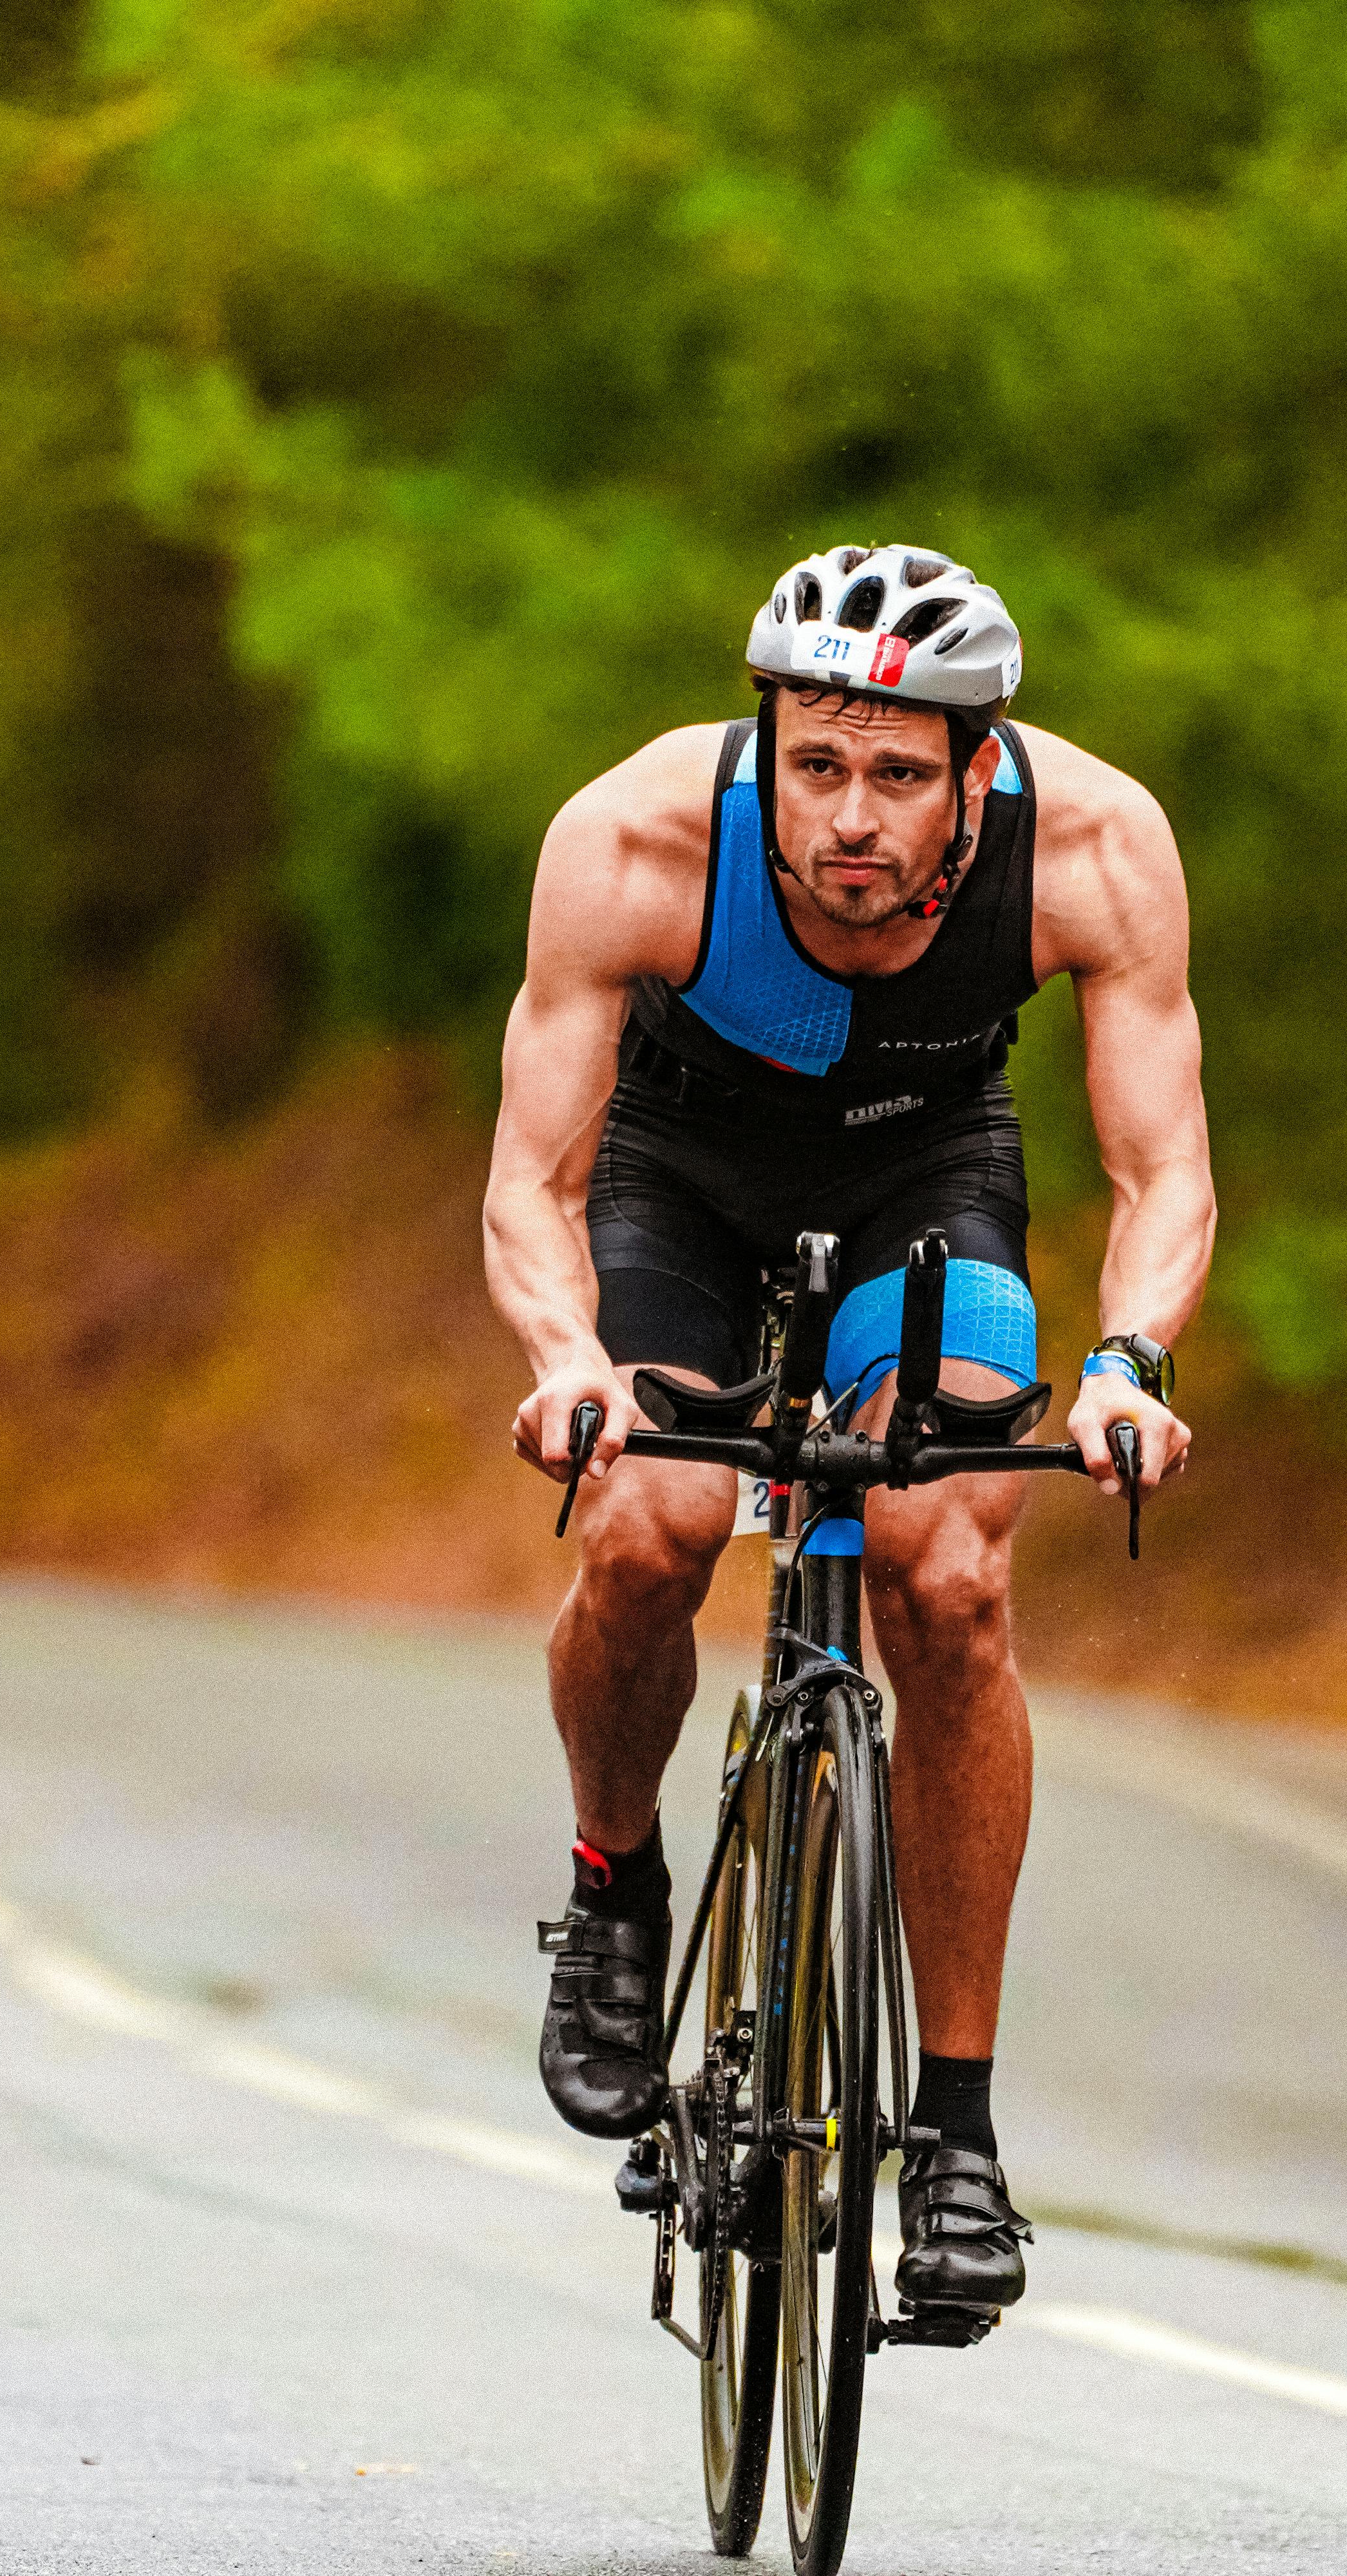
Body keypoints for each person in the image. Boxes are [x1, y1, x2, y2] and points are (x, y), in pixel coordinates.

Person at [483, 545, 1211, 2310]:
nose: (852, 818)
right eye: (816, 765)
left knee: (947, 1578)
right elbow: (533, 1180)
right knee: (648, 1526)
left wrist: (1129, 1363)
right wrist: (569, 1356)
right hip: (678, 1178)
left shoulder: (1095, 845)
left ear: (980, 764)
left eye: (897, 771)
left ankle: (955, 2134)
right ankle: (614, 1882)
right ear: (768, 745)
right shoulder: (637, 840)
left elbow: (1162, 1166)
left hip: (924, 1180)